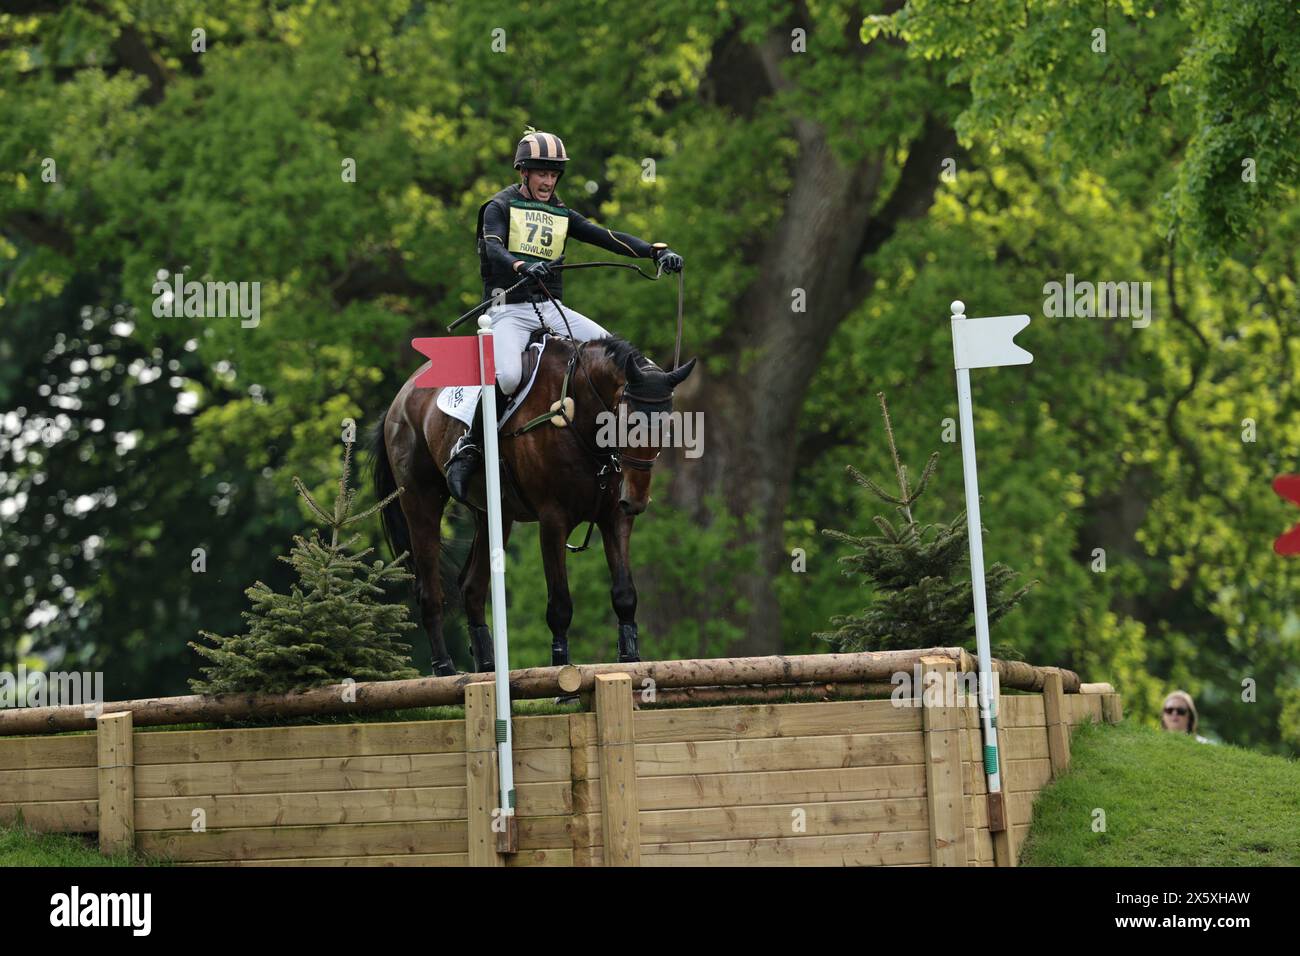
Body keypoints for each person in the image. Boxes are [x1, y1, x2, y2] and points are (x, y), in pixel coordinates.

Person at [444, 128, 683, 504]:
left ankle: (612, 450)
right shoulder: (498, 207)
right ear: (523, 173)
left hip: (553, 310)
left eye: (553, 174)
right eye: (541, 173)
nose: (548, 180)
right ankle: (470, 446)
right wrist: (521, 266)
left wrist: (654, 252)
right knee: (506, 376)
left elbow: (606, 236)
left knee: (623, 362)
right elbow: (491, 248)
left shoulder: (560, 212)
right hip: (509, 310)